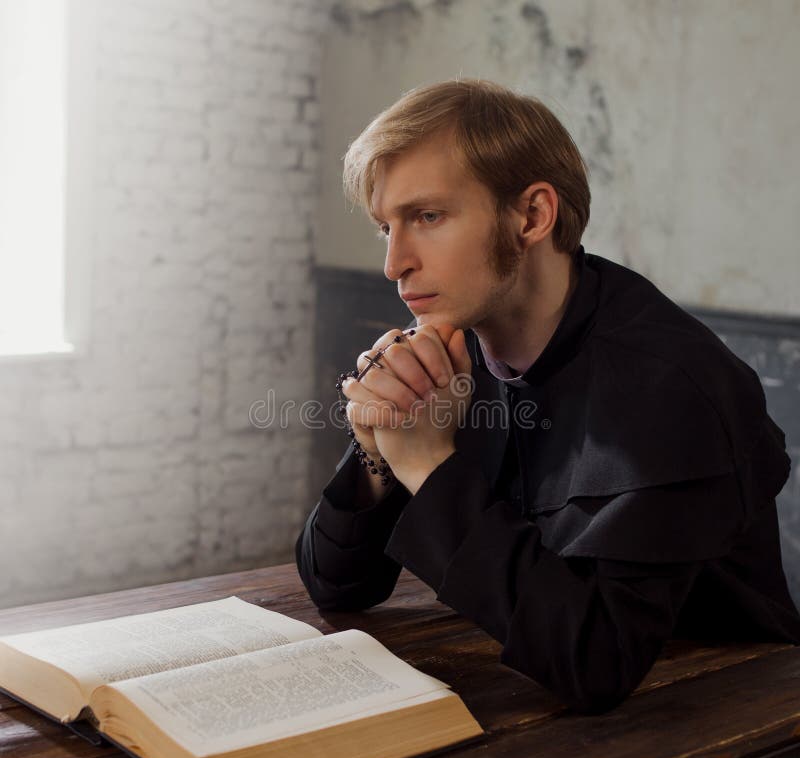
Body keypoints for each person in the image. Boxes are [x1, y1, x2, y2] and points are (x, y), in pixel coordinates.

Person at [295, 79, 800, 713]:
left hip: (717, 724)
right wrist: (376, 453)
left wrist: (426, 462)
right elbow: (336, 585)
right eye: (384, 228)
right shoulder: (455, 343)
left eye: (428, 217)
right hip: (529, 695)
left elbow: (598, 661)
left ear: (532, 216)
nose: (395, 263)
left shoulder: (672, 381)